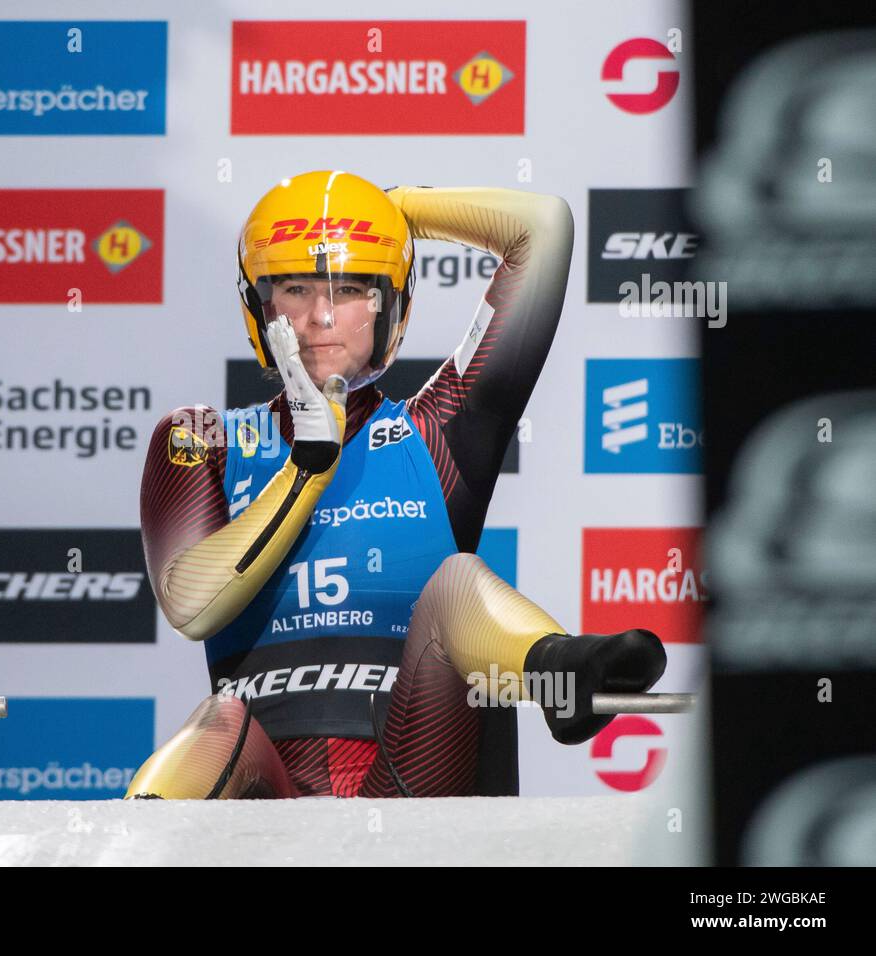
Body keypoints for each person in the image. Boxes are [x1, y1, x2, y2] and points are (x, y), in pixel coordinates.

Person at [127, 171, 666, 799]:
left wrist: (399, 209)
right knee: (218, 721)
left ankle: (556, 669)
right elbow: (192, 606)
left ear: (394, 308)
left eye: (352, 288)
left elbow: (541, 228)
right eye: (296, 288)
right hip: (263, 802)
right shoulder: (201, 438)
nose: (322, 315)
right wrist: (307, 467)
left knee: (456, 581)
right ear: (260, 307)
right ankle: (139, 845)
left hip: (413, 777)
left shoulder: (437, 429)